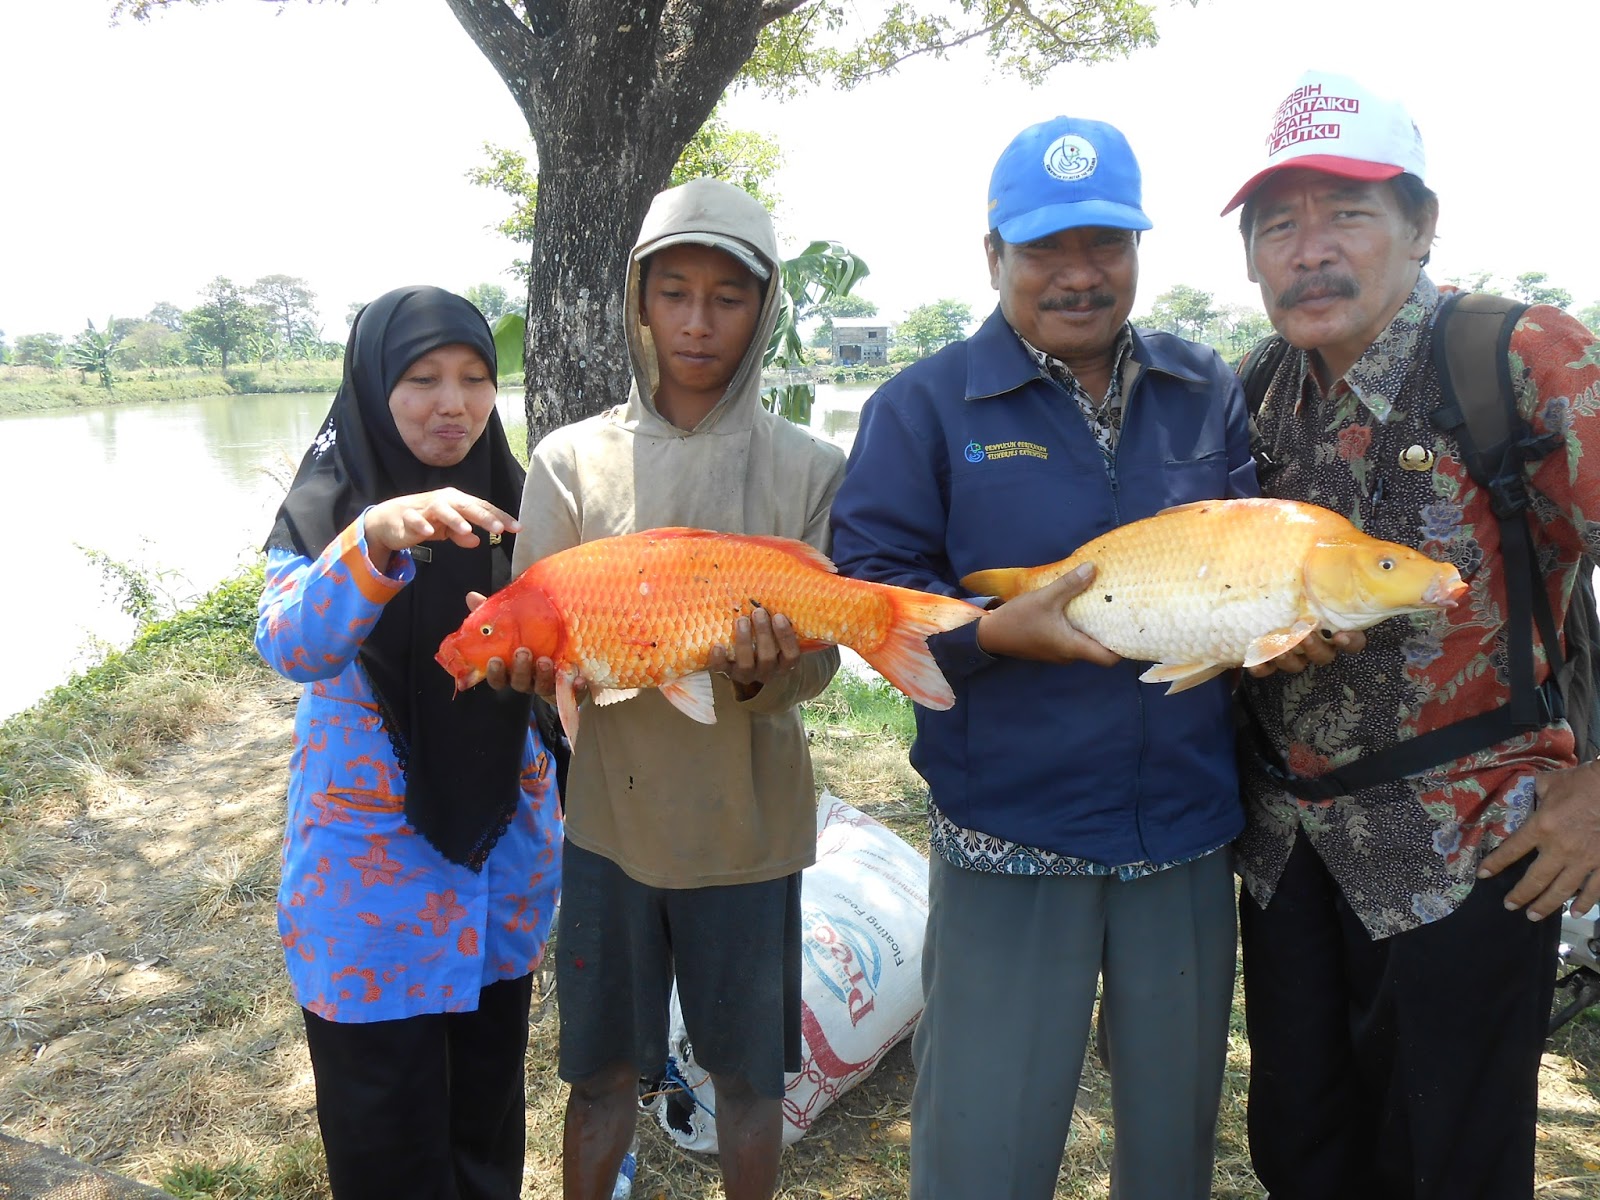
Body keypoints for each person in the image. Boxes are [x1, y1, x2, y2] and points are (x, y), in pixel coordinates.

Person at [828, 116, 1257, 1199]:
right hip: (1012, 832)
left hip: (1185, 832)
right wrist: (987, 636)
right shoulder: (922, 406)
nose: (1078, 275)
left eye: (1104, 245)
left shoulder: (1204, 386)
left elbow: (1254, 553)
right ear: (993, 256)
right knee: (983, 1144)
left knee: (1171, 1145)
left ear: (1137, 253)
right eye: (1045, 250)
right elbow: (872, 600)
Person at [1225, 69, 1600, 1200]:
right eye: (1277, 224)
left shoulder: (1520, 359)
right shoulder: (1251, 395)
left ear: (1422, 225)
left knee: (1446, 1164)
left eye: (1346, 211)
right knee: (1300, 1150)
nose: (1308, 250)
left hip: (1473, 848)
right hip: (1285, 853)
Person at [500, 177, 845, 1200]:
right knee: (600, 1078)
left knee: (746, 1081)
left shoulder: (810, 469)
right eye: (674, 293)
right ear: (637, 302)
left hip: (749, 830)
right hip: (610, 828)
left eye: (728, 297)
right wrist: (529, 676)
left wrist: (768, 667)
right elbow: (540, 648)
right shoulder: (570, 464)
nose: (698, 323)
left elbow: (820, 665)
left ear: (765, 307)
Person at [256, 285, 563, 1200]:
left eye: (475, 377)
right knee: (386, 1141)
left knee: (484, 1127)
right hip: (368, 899)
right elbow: (291, 644)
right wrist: (373, 542)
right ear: (372, 385)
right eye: (422, 378)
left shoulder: (525, 505)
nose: (453, 403)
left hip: (501, 874)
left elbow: (576, 663)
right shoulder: (329, 510)